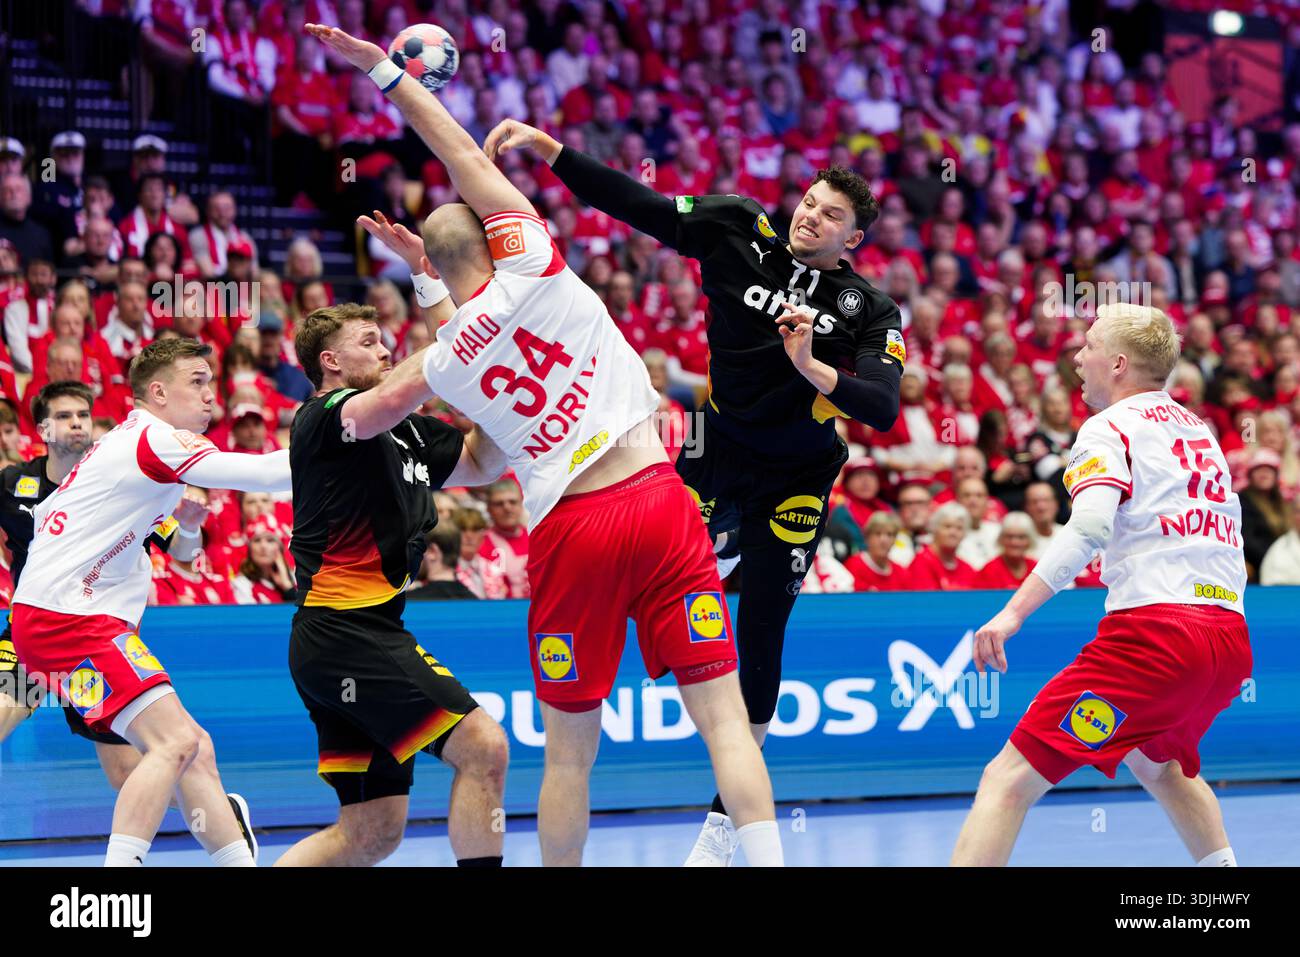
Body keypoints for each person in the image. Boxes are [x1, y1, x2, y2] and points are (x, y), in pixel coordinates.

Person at [311, 21, 783, 867]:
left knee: (570, 754)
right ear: (493, 238)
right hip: (657, 497)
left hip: (571, 527)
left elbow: (416, 384)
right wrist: (384, 72)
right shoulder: (535, 265)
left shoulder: (442, 363)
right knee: (723, 724)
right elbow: (462, 154)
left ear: (436, 268)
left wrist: (420, 290)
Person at [487, 93, 901, 868]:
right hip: (714, 442)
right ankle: (596, 694)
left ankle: (723, 826)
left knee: (765, 625)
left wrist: (814, 369)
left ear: (854, 238)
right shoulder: (737, 227)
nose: (811, 215)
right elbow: (637, 202)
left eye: (831, 214)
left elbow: (881, 405)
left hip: (799, 471)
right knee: (654, 574)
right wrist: (551, 151)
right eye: (809, 201)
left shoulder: (868, 308)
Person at [952, 304, 1252, 867]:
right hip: (1228, 637)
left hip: (1156, 637)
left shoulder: (1108, 427)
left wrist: (1012, 614)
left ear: (1116, 363)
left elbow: (1089, 527)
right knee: (1159, 766)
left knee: (1007, 780)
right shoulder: (1200, 431)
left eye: (1087, 345)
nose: (1076, 356)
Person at [10, 342, 292, 867]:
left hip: (67, 622)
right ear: (158, 392)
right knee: (173, 743)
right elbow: (270, 474)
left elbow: (181, 554)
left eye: (212, 382)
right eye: (198, 382)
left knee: (192, 747)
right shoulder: (156, 442)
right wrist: (353, 440)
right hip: (70, 622)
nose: (212, 395)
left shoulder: (131, 449)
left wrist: (184, 525)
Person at [278, 290, 512, 868]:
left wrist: (505, 392)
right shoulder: (324, 419)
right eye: (368, 342)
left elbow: (485, 462)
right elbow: (387, 399)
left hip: (357, 636)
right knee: (484, 747)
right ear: (329, 362)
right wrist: (457, 341)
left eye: (383, 340)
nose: (384, 350)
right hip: (343, 632)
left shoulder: (408, 431)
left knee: (372, 833)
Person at [408, 524, 479, 601]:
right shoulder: (475, 602)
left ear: (432, 551)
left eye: (418, 548)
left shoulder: (411, 602)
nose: (414, 556)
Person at [844, 511, 912, 591]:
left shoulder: (901, 573)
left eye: (889, 534)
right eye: (877, 534)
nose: (883, 540)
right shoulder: (853, 566)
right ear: (867, 537)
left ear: (895, 540)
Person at [973, 512, 1038, 589]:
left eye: (1021, 537)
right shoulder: (989, 570)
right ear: (1001, 539)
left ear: (1030, 540)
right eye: (1009, 537)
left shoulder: (1036, 569)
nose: (1014, 542)